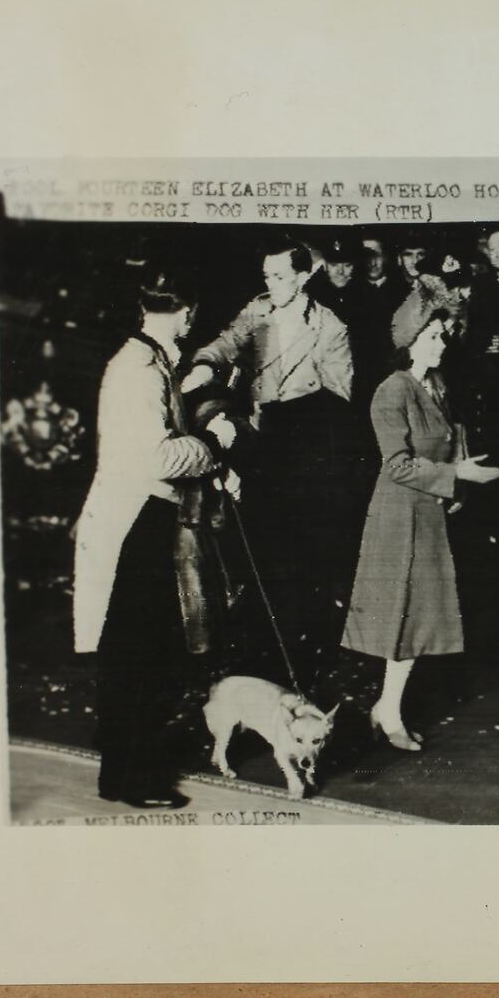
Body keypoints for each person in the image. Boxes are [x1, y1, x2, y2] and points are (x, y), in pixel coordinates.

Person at [72, 273, 237, 809]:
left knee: (137, 651)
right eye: (192, 312)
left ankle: (124, 770)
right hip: (136, 522)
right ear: (182, 312)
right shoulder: (138, 370)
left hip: (144, 517)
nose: (193, 321)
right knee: (140, 652)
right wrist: (212, 445)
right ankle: (132, 777)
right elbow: (159, 457)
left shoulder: (149, 362)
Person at [180, 236, 357, 689]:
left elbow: (339, 396)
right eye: (266, 275)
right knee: (257, 551)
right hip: (256, 446)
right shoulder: (257, 311)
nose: (271, 283)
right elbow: (226, 343)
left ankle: (300, 658)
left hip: (301, 454)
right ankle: (259, 656)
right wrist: (203, 366)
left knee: (297, 557)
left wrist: (296, 421)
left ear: (304, 276)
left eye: (279, 276)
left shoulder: (329, 326)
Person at [342, 301, 499, 749]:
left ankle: (387, 708)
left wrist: (459, 482)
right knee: (403, 615)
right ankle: (388, 712)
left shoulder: (434, 384)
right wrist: (457, 477)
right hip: (400, 516)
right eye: (432, 336)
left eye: (443, 334)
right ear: (408, 343)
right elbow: (397, 466)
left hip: (429, 511)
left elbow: (448, 443)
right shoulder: (393, 390)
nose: (441, 342)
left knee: (417, 617)